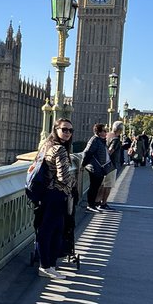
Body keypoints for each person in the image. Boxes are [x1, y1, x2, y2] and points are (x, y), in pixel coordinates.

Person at [35, 118, 75, 278]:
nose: (67, 133)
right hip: (56, 194)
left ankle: (48, 264)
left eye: (70, 131)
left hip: (45, 194)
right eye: (64, 129)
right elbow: (63, 177)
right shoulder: (59, 149)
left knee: (47, 229)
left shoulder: (46, 145)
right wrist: (72, 184)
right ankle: (46, 265)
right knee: (52, 231)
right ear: (56, 129)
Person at [81, 122, 110, 210]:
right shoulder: (94, 140)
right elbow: (87, 152)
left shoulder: (101, 141)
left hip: (100, 168)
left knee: (96, 187)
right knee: (94, 187)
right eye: (104, 131)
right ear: (99, 132)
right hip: (94, 168)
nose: (106, 133)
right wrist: (83, 164)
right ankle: (90, 205)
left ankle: (92, 204)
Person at [101, 120, 125, 208]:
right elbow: (110, 151)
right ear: (120, 130)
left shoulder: (107, 136)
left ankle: (99, 202)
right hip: (111, 164)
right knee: (108, 185)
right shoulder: (115, 139)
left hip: (103, 165)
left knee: (103, 184)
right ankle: (103, 203)